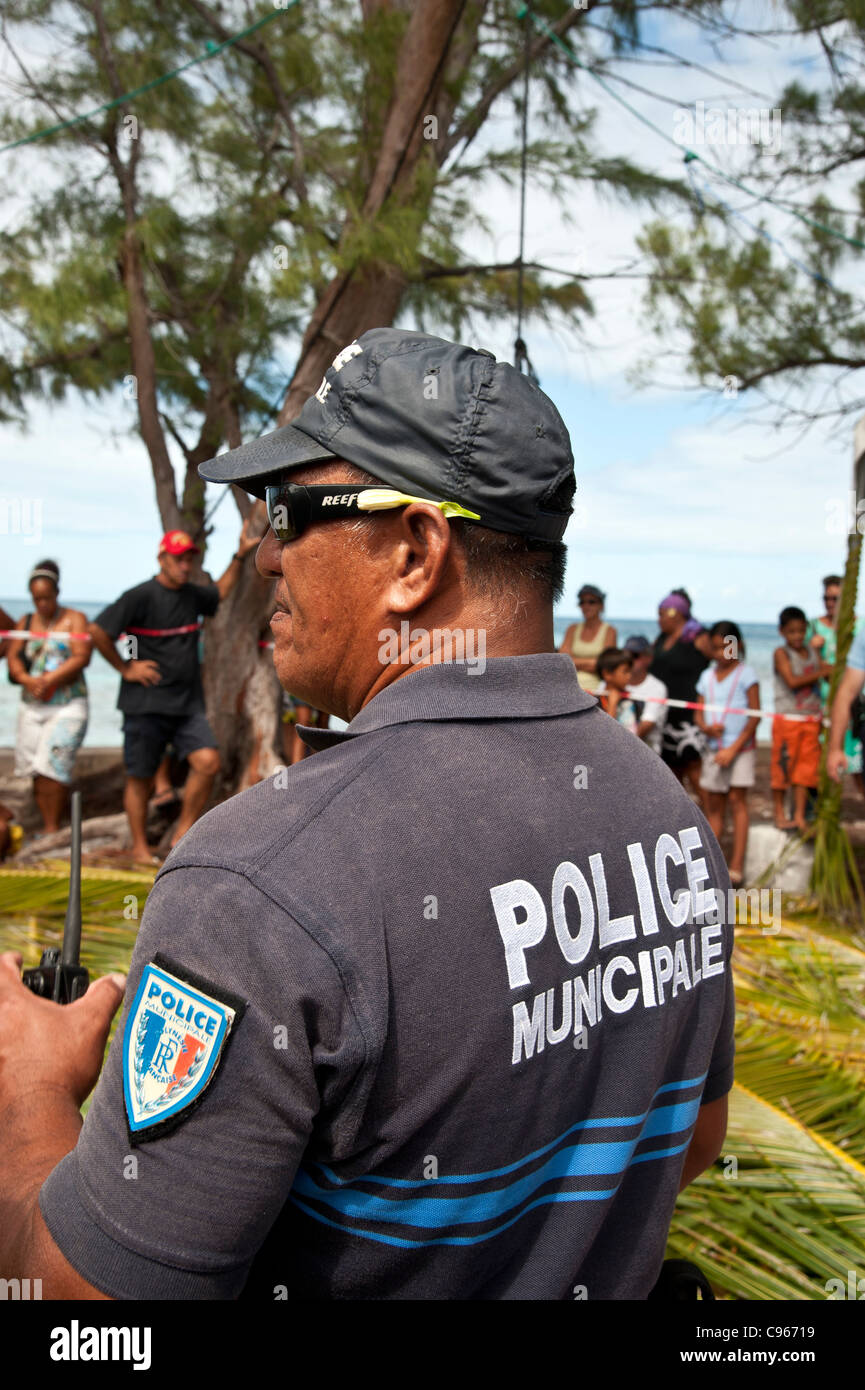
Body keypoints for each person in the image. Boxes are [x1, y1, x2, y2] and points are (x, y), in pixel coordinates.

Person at [0, 327, 733, 1301]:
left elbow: (91, 1310)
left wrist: (31, 1092)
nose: (262, 554)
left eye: (286, 513)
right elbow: (690, 1144)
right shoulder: (666, 814)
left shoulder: (259, 881)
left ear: (414, 552)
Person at [87, 524, 259, 865]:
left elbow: (220, 593)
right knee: (140, 778)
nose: (184, 566)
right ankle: (139, 849)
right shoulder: (139, 596)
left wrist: (240, 554)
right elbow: (97, 631)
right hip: (145, 703)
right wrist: (126, 668)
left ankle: (182, 833)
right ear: (162, 558)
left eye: (188, 560)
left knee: (208, 761)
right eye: (178, 559)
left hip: (186, 705)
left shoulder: (193, 594)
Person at [6, 561, 91, 835]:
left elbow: (82, 656)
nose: (42, 603)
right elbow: (13, 657)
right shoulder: (26, 622)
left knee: (53, 764)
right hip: (33, 704)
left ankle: (53, 828)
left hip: (67, 704)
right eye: (36, 598)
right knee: (34, 768)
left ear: (57, 593)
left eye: (47, 597)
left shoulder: (74, 618)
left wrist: (49, 679)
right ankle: (44, 825)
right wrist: (28, 679)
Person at [693, 622, 760, 886]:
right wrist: (706, 728)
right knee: (713, 804)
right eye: (717, 647)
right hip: (714, 749)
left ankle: (736, 865)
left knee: (737, 801)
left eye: (727, 646)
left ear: (738, 645)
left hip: (740, 749)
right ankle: (713, 862)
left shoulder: (747, 674)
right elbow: (698, 714)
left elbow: (755, 716)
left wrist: (735, 748)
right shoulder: (706, 676)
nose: (722, 652)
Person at [649, 592, 710, 801]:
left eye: (661, 614)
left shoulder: (699, 637)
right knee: (672, 776)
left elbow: (729, 658)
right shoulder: (661, 638)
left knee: (695, 773)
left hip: (689, 717)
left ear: (675, 614)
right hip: (666, 715)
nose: (659, 619)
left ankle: (713, 822)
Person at [772, 606, 827, 832]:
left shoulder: (813, 653)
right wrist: (822, 672)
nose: (797, 636)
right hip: (788, 720)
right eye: (792, 631)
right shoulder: (781, 654)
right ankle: (779, 814)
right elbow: (792, 681)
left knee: (806, 772)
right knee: (783, 769)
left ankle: (799, 816)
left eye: (801, 631)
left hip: (811, 721)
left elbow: (828, 674)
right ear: (782, 632)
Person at [808, 575, 863, 794]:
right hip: (822, 702)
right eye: (826, 598)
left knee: (858, 764)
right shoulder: (814, 628)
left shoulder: (859, 627)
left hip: (855, 705)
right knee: (821, 759)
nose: (830, 603)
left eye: (835, 598)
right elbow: (804, 669)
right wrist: (814, 652)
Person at [559, 584, 617, 692]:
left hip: (596, 690)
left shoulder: (609, 631)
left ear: (601, 605)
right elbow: (563, 662)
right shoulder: (572, 629)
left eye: (591, 602)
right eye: (582, 602)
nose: (586, 606)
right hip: (569, 688)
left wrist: (574, 662)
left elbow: (605, 665)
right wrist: (592, 663)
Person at [623, 634, 668, 754]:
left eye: (635, 656)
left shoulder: (657, 688)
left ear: (649, 658)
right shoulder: (610, 683)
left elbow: (645, 727)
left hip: (646, 753)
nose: (629, 660)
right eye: (625, 655)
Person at [595, 647, 635, 725]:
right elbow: (605, 733)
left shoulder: (630, 700)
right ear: (607, 674)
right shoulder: (594, 703)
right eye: (625, 671)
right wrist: (612, 705)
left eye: (630, 671)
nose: (629, 676)